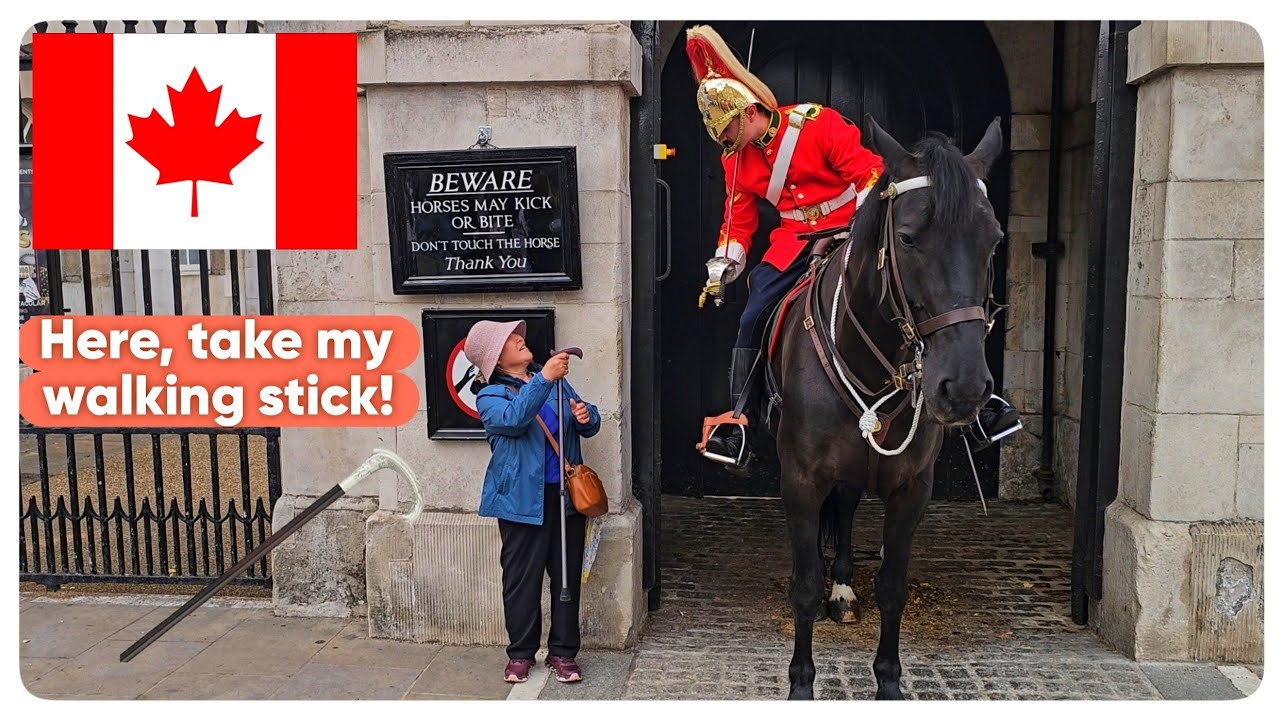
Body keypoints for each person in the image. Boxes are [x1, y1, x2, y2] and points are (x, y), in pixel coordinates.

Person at [686, 25, 885, 468]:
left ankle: (963, 410)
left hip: (848, 228)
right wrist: (724, 263)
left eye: (727, 130)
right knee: (754, 315)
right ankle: (741, 420)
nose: (724, 141)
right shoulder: (735, 157)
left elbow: (869, 173)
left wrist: (861, 224)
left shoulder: (817, 125)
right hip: (792, 241)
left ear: (748, 110)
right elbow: (738, 218)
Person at [465, 319, 601, 684]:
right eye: (510, 339)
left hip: (565, 497)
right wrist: (544, 381)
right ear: (496, 358)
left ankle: (563, 653)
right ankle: (521, 654)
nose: (520, 339)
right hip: (520, 500)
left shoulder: (550, 376)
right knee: (522, 580)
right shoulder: (490, 395)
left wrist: (586, 417)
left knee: (566, 577)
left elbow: (586, 415)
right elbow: (513, 420)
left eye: (518, 334)